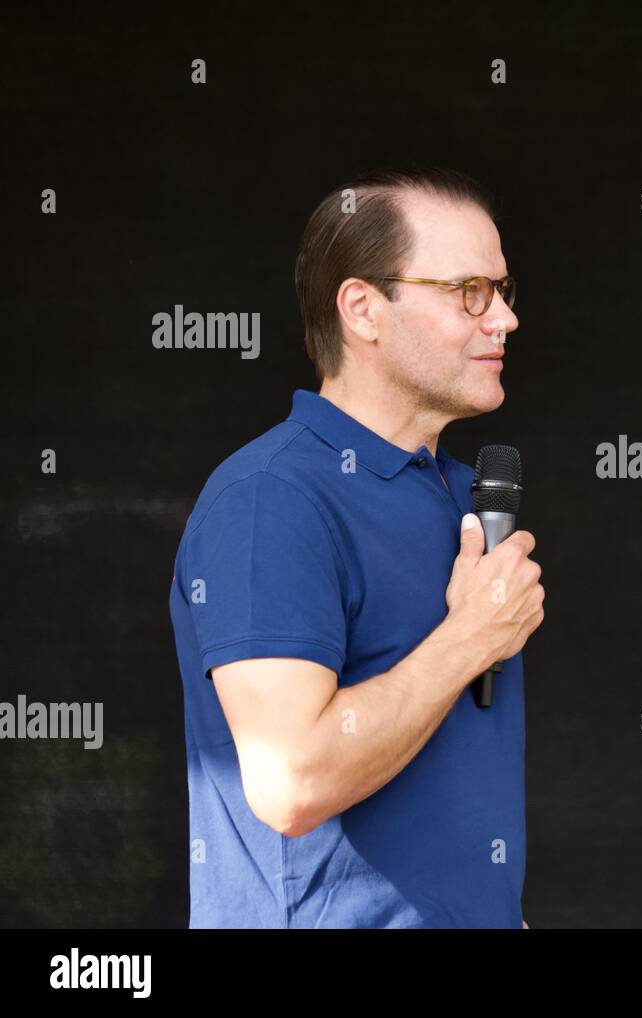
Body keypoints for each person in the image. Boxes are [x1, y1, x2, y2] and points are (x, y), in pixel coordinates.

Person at [168, 168, 544, 928]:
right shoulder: (271, 497)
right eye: (469, 290)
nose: (503, 318)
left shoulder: (463, 494)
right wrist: (468, 640)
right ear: (363, 309)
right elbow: (291, 781)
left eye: (504, 290)